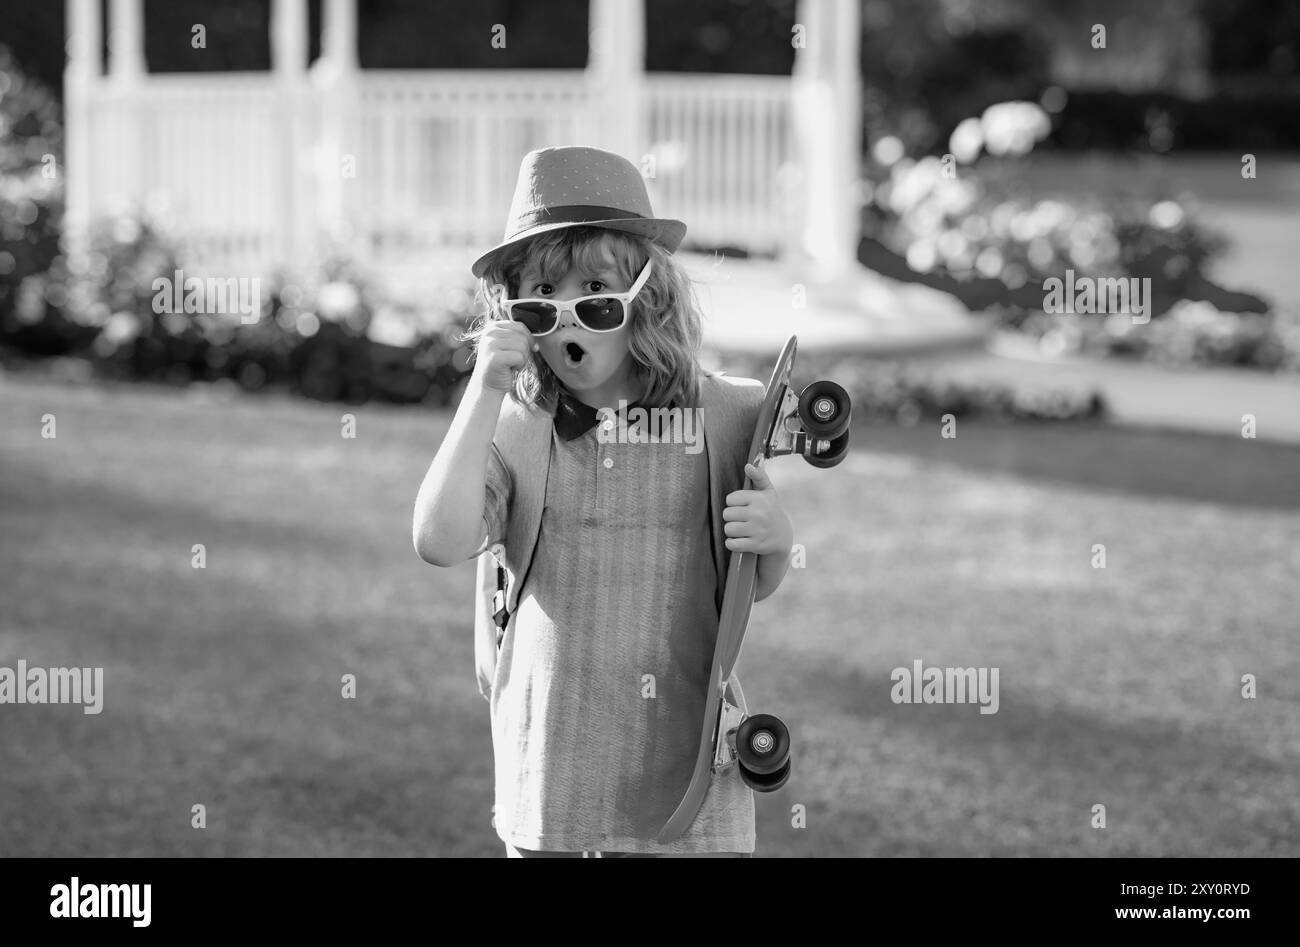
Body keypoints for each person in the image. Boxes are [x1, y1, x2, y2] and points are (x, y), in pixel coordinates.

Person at [413, 146, 794, 857]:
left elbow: (748, 585)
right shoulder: (518, 432)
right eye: (540, 299)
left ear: (649, 294)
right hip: (555, 775)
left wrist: (775, 536)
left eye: (595, 290)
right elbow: (439, 538)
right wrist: (482, 393)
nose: (569, 320)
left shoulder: (728, 416)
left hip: (691, 772)